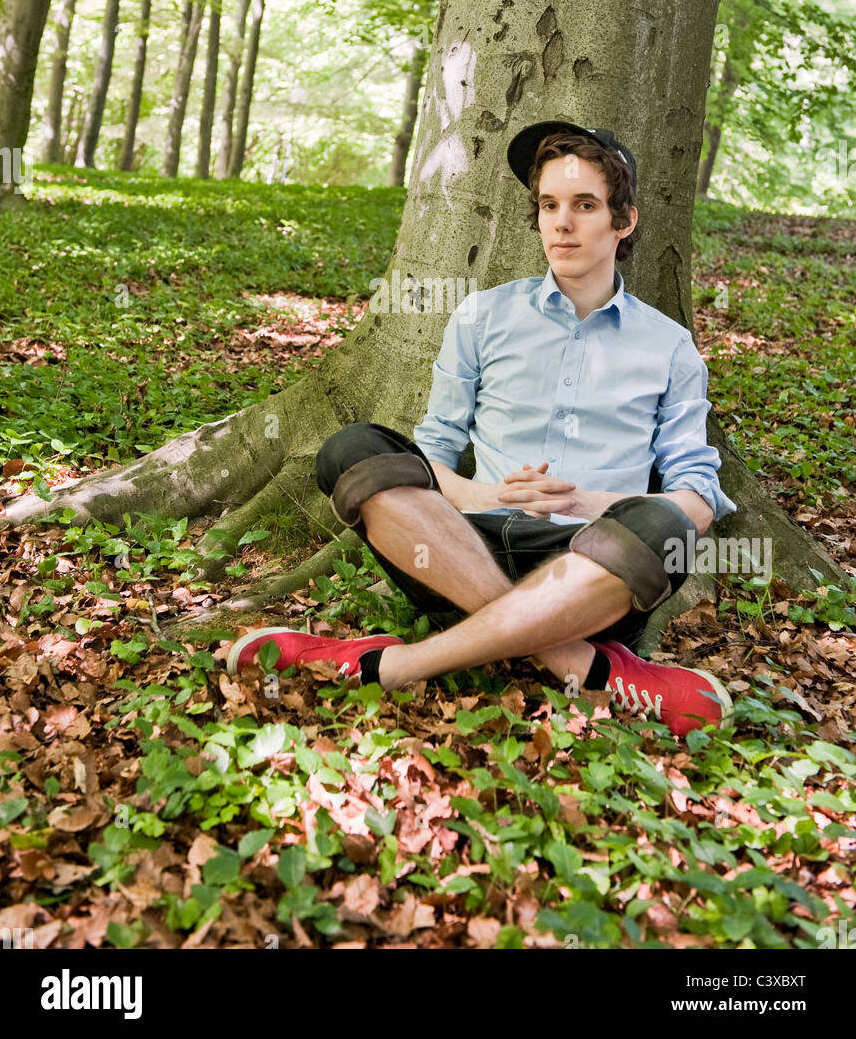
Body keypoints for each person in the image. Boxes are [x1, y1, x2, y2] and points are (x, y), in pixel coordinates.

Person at [226, 122, 737, 736]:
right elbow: (431, 457)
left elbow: (697, 500)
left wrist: (583, 501)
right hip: (461, 552)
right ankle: (581, 664)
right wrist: (490, 496)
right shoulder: (483, 315)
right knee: (356, 450)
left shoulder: (670, 346)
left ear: (623, 220)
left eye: (584, 205)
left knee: (665, 524)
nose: (561, 223)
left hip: (595, 573)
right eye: (549, 205)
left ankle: (390, 666)